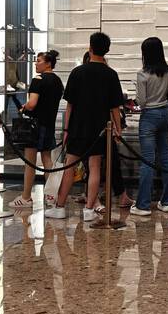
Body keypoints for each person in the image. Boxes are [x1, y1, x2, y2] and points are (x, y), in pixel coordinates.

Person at [45, 32, 124, 222]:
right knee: (95, 166)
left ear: (90, 48)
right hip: (100, 129)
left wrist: (65, 130)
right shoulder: (111, 74)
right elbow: (115, 108)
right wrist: (118, 130)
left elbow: (69, 106)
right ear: (107, 50)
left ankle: (60, 207)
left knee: (70, 166)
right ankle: (89, 208)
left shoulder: (78, 72)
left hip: (78, 127)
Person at [11, 50, 62, 209]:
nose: (36, 63)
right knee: (47, 159)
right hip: (49, 123)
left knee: (30, 161)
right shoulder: (58, 81)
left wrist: (24, 107)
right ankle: (51, 196)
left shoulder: (38, 79)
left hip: (35, 125)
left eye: (39, 61)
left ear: (48, 63)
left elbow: (32, 103)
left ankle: (26, 197)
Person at [132, 37, 168, 216]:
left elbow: (141, 102)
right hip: (166, 113)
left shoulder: (142, 74)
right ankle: (167, 202)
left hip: (149, 115)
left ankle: (143, 205)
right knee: (166, 157)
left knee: (148, 160)